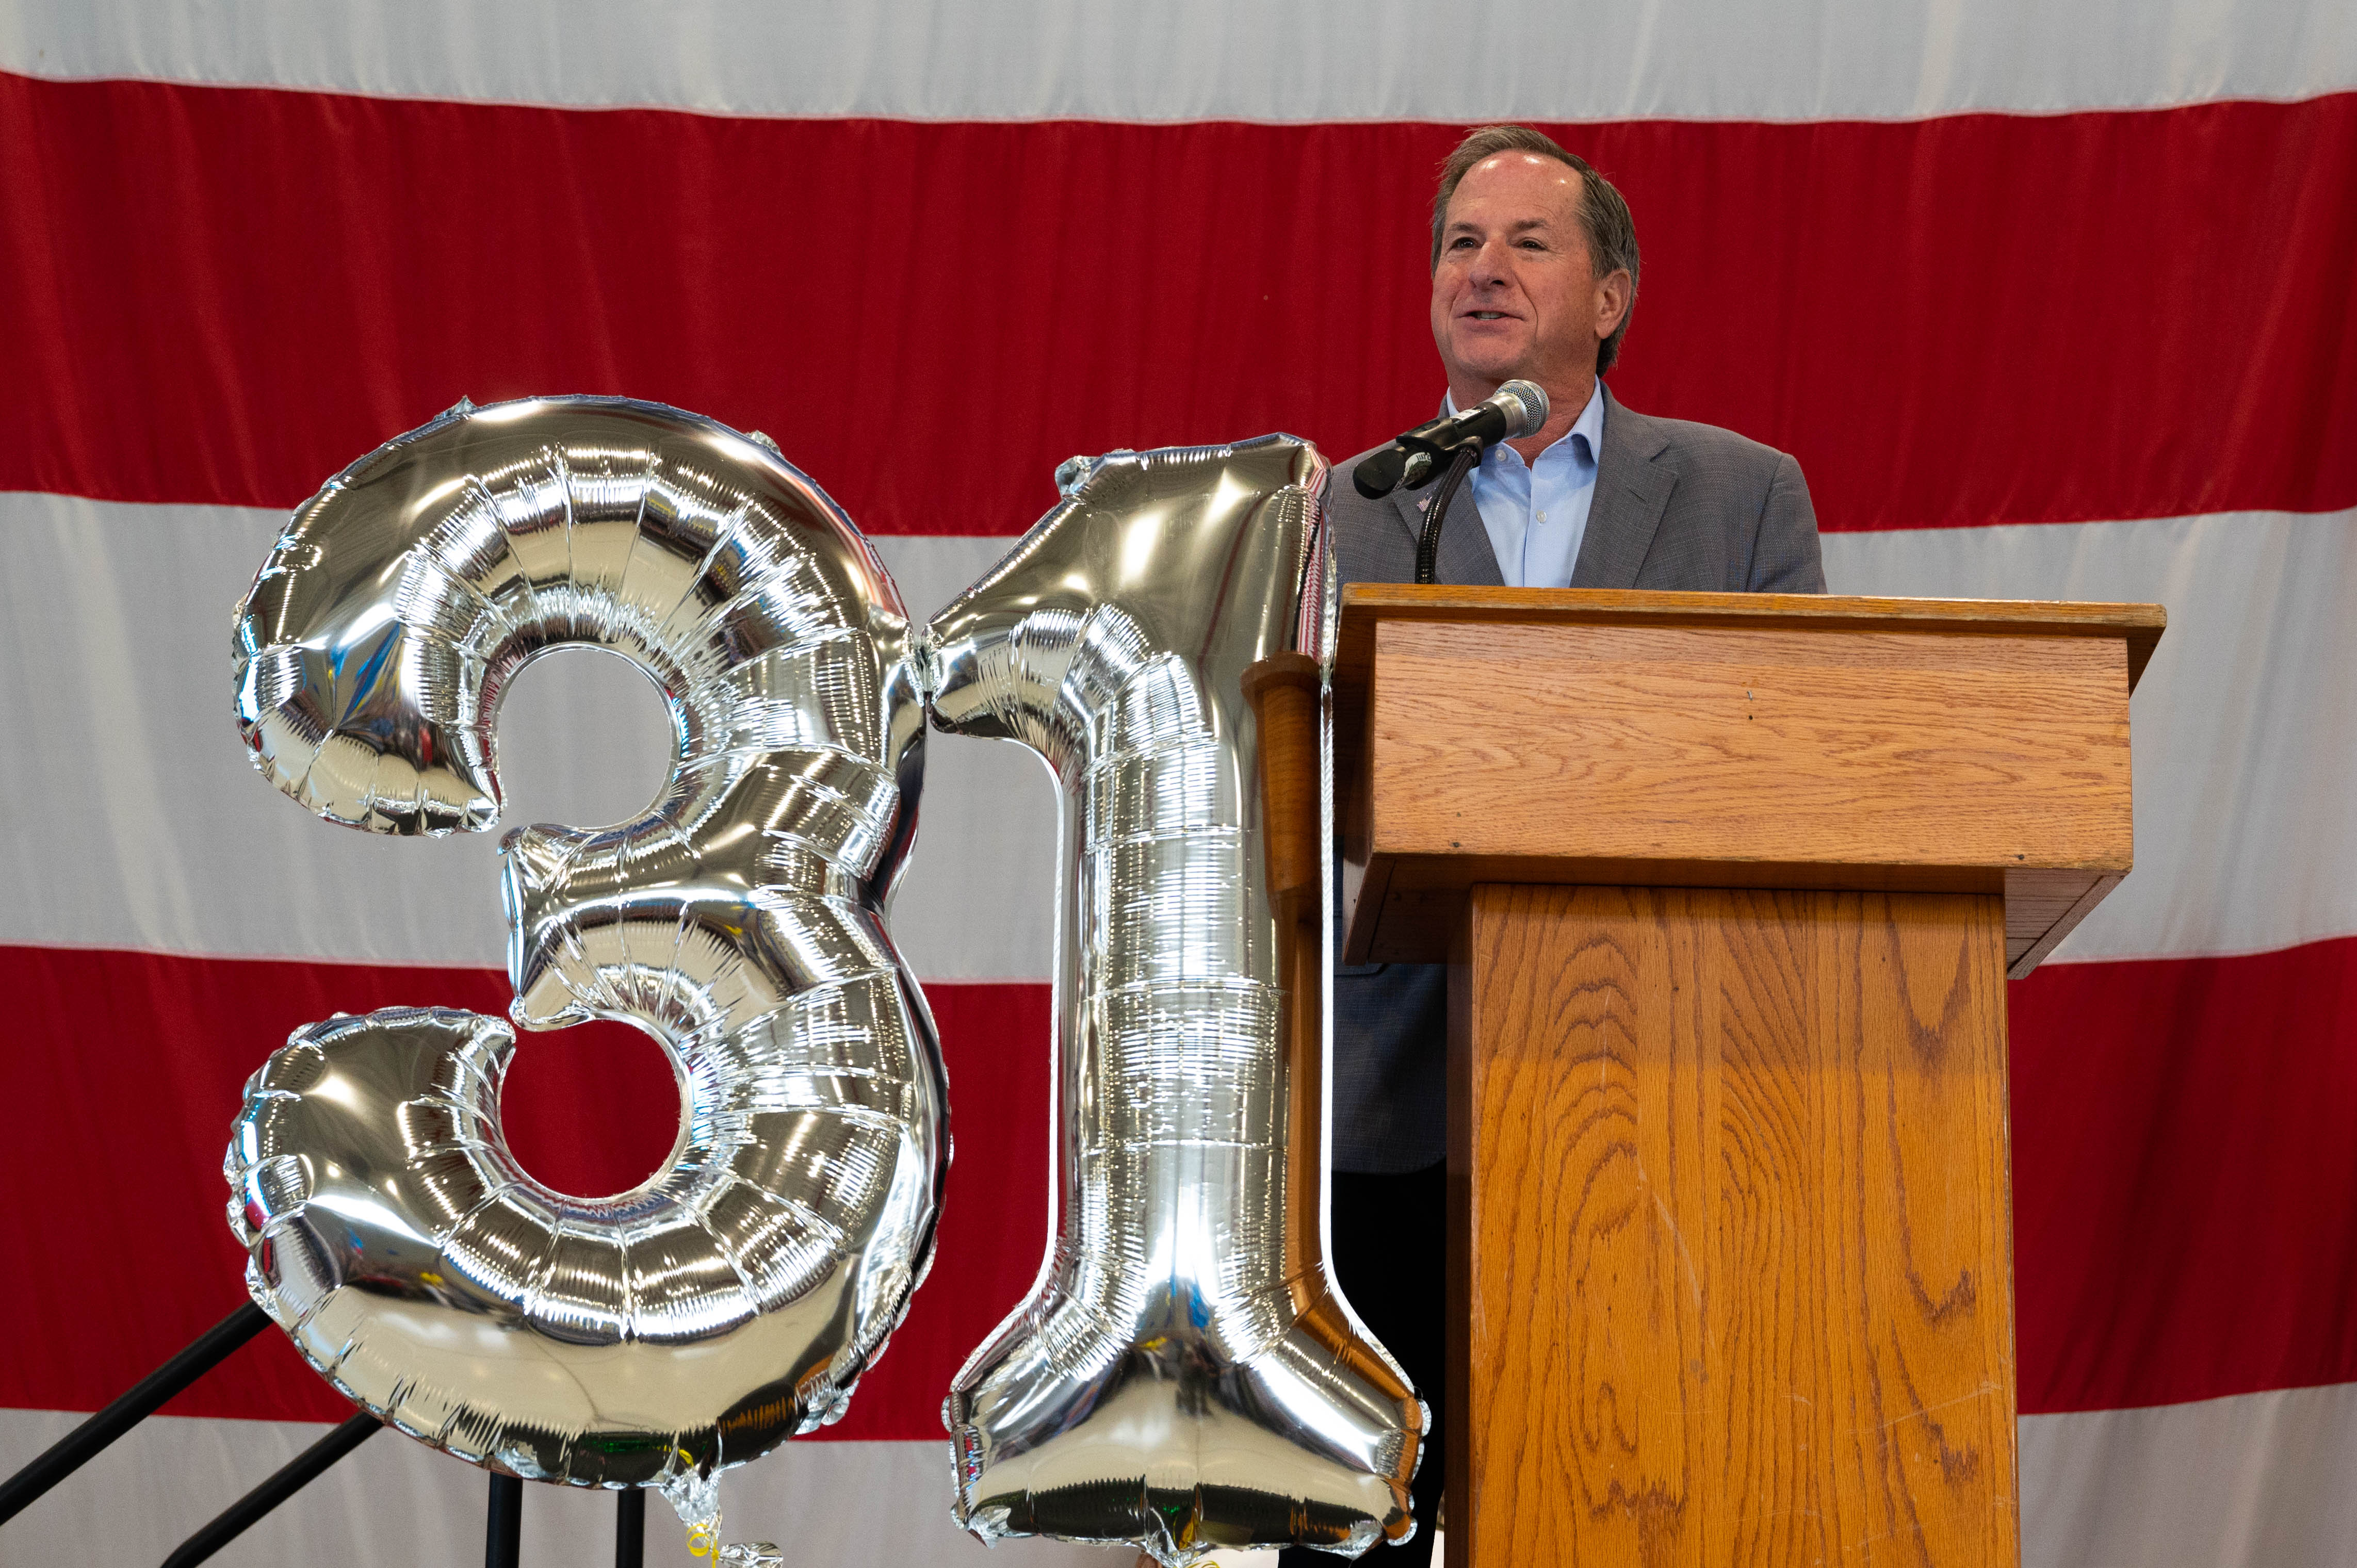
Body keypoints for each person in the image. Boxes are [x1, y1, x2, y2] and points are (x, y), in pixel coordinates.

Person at [1295, 124, 1826, 1568]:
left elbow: (1790, 772)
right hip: (1396, 1104)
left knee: (1646, 1496)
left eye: (1529, 242)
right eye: (1459, 245)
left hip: (1672, 1084)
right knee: (1374, 1521)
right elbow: (1294, 791)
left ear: (1611, 297)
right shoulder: (1340, 510)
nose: (1484, 269)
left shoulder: (1741, 495)